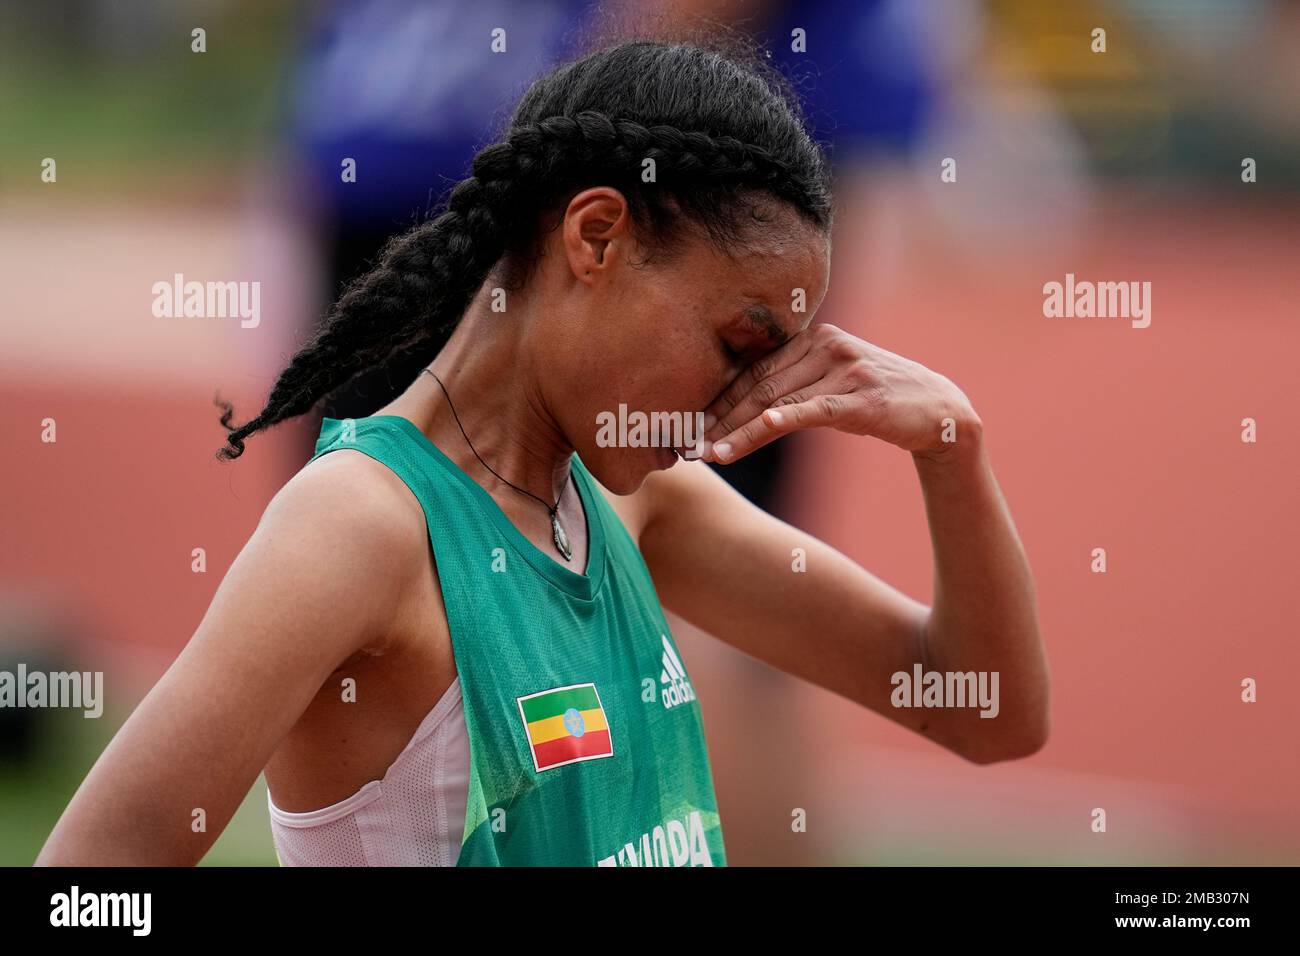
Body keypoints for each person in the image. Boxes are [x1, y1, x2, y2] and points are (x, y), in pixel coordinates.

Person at [37, 38, 1049, 867]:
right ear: (596, 237)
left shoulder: (642, 507)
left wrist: (952, 449)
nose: (739, 399)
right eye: (738, 344)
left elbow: (984, 711)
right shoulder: (360, 528)